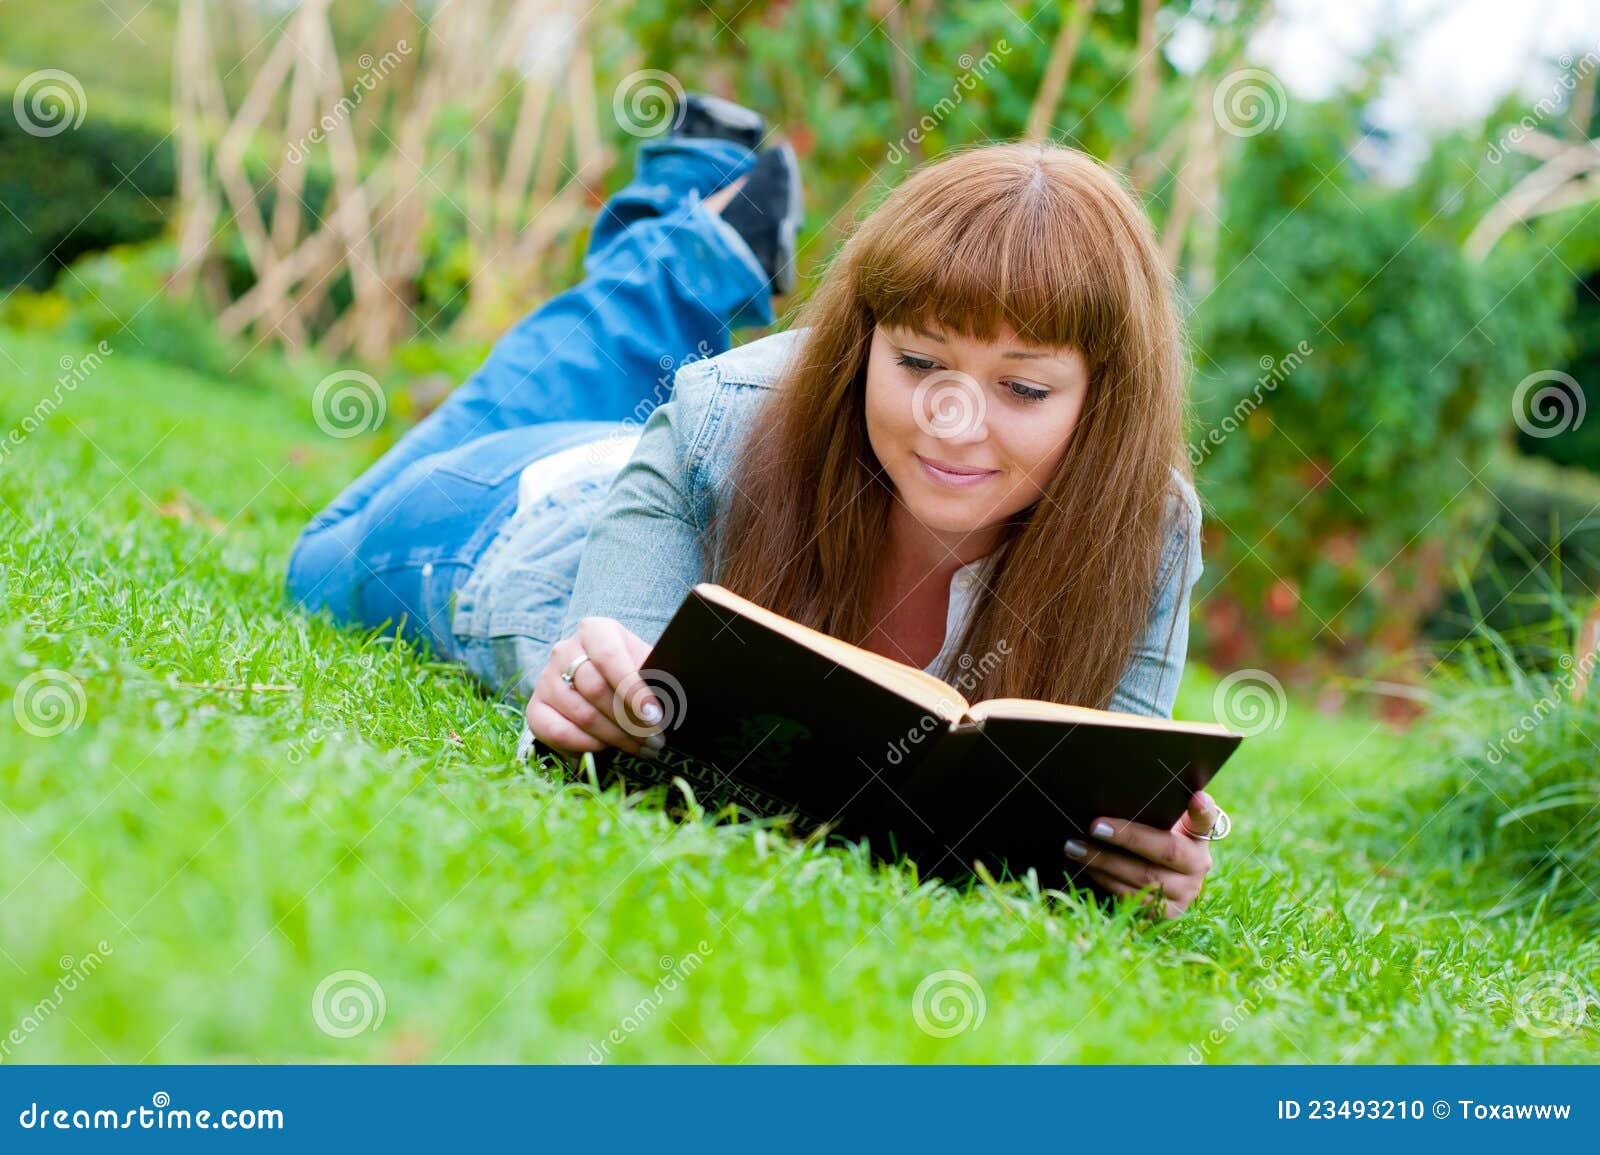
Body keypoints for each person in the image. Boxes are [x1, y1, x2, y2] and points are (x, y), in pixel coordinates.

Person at [286, 94, 1228, 918]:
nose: (953, 423)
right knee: (313, 562)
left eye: (1023, 390)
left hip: (666, 455)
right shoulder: (717, 422)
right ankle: (689, 255)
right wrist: (595, 699)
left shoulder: (1144, 523)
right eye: (919, 362)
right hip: (513, 526)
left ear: (1104, 400)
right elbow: (616, 735)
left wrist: (1149, 854)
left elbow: (1102, 803)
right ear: (866, 340)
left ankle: (696, 207)